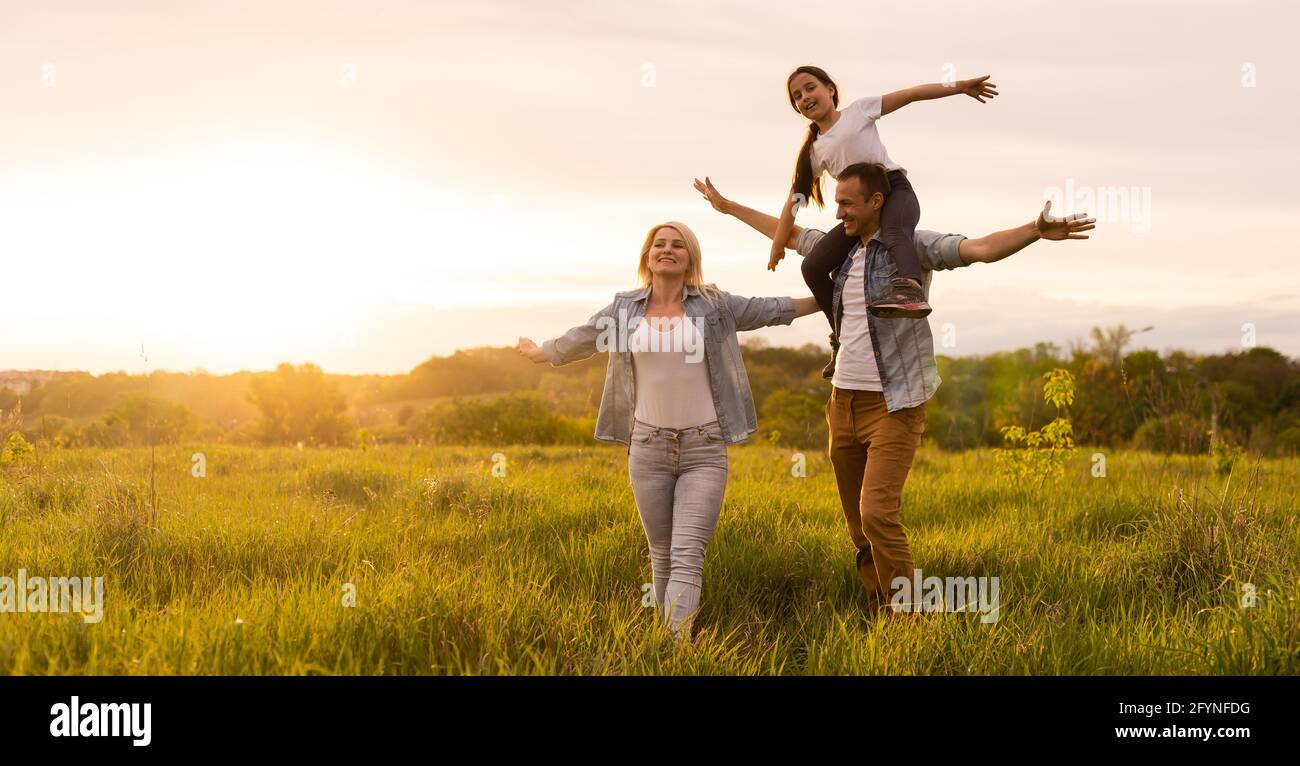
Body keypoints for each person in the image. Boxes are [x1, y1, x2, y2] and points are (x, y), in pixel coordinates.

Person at [695, 166, 1094, 615]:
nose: (839, 211)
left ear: (876, 203)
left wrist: (1034, 231)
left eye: (847, 203)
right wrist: (728, 208)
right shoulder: (841, 251)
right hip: (842, 403)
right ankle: (878, 610)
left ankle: (908, 620)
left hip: (894, 405)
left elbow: (976, 249)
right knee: (857, 525)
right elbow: (789, 234)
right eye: (837, 201)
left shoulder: (913, 247)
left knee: (877, 515)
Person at [516, 221, 821, 641]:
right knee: (661, 554)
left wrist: (824, 298)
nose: (667, 249)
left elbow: (768, 308)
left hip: (704, 448)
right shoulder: (624, 308)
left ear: (690, 258)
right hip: (648, 447)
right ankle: (668, 642)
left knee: (687, 552)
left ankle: (677, 650)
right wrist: (544, 351)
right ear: (647, 256)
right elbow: (584, 337)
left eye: (678, 245)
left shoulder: (714, 305)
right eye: (659, 244)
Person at [770, 65, 999, 376]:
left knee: (893, 232)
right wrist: (778, 245)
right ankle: (840, 335)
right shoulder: (814, 150)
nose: (805, 97)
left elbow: (912, 95)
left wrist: (959, 87)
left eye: (810, 88)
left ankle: (910, 291)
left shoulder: (859, 111)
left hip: (894, 193)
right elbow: (794, 201)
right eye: (797, 96)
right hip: (859, 213)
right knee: (812, 266)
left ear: (830, 89)